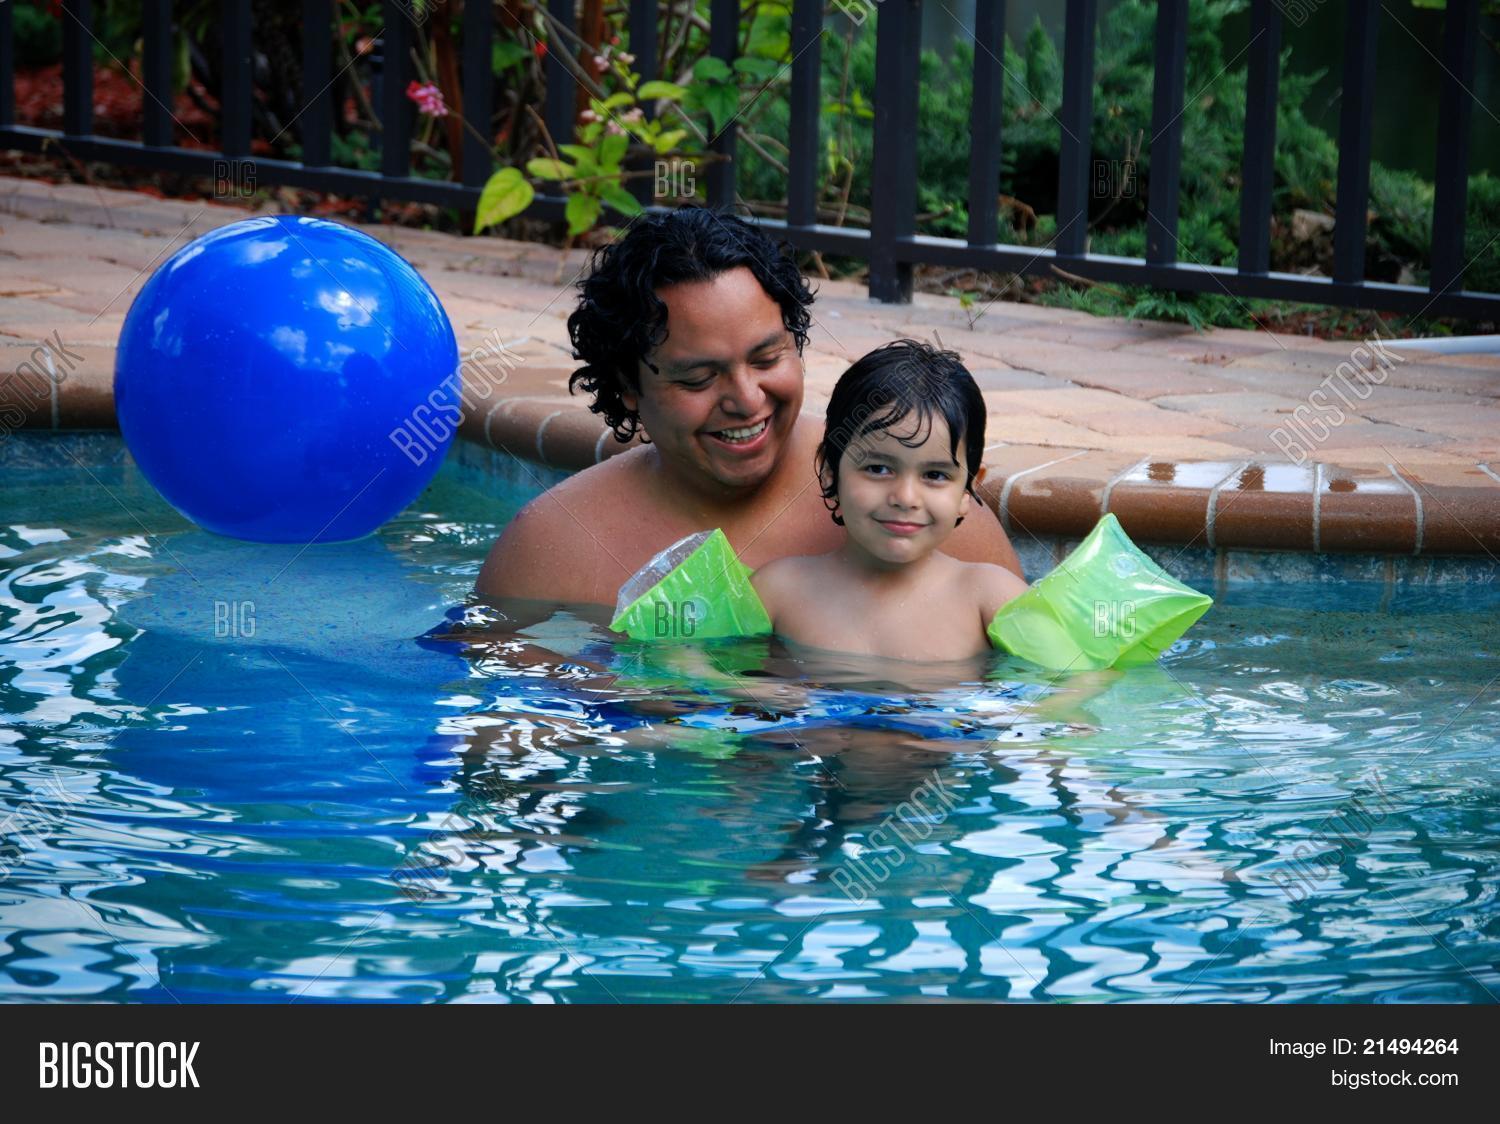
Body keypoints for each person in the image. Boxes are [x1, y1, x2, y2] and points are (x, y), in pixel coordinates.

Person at [475, 208, 1022, 613]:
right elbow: (493, 737)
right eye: (699, 377)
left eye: (767, 357)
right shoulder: (552, 549)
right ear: (628, 387)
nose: (747, 399)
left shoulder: (915, 506)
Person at [751, 340, 1030, 662]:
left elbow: (1064, 691)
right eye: (878, 469)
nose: (905, 498)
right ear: (830, 471)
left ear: (967, 490)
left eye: (935, 475)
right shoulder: (778, 593)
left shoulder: (991, 598)